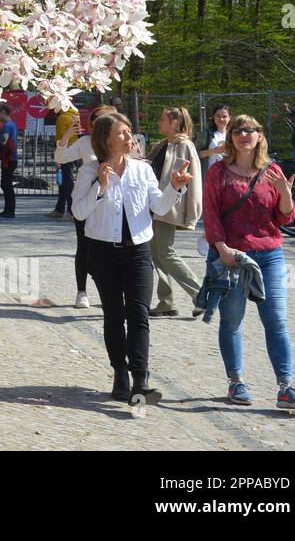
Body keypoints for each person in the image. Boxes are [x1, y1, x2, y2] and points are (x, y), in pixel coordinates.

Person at [72, 113, 193, 404]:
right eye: (123, 133)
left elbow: (159, 206)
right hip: (103, 252)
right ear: (106, 139)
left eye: (130, 132)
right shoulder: (89, 172)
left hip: (138, 251)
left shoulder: (143, 170)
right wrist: (100, 186)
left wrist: (174, 188)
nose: (130, 138)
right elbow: (79, 212)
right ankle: (120, 374)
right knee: (114, 315)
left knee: (138, 314)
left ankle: (141, 378)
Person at [202, 115, 295, 410]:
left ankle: (286, 387)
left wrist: (286, 193)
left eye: (250, 130)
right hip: (233, 257)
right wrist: (222, 249)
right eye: (238, 130)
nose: (244, 134)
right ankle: (236, 381)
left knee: (276, 320)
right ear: (231, 137)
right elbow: (210, 215)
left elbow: (285, 217)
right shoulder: (219, 173)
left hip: (270, 254)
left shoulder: (272, 170)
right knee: (233, 320)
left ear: (260, 136)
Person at [146, 108, 204, 318]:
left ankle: (200, 295)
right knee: (157, 253)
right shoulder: (163, 144)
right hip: (155, 206)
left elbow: (193, 181)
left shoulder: (184, 145)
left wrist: (191, 209)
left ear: (175, 122)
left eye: (163, 119)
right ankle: (166, 302)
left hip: (169, 206)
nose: (159, 122)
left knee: (166, 252)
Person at [58, 106, 116, 308]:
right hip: (87, 199)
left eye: (104, 119)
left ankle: (111, 290)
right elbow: (60, 157)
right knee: (84, 246)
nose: (98, 123)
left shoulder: (119, 142)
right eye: (95, 120)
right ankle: (81, 291)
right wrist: (65, 137)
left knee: (109, 247)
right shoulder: (85, 142)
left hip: (112, 201)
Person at [47, 105, 80, 221]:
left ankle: (71, 211)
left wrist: (57, 155)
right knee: (66, 181)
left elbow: (60, 138)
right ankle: (60, 209)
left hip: (65, 152)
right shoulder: (75, 116)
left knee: (67, 181)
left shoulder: (62, 118)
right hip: (74, 151)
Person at [0, 101, 19, 219]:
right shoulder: (13, 125)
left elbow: (4, 141)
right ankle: (9, 209)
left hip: (8, 158)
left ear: (4, 112)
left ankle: (9, 210)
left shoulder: (6, 126)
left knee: (6, 185)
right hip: (12, 158)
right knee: (6, 184)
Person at [199, 104, 230, 172]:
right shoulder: (206, 134)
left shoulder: (234, 134)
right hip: (211, 175)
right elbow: (195, 154)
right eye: (218, 116)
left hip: (230, 174)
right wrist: (214, 150)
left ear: (229, 118)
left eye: (224, 116)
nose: (221, 119)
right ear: (213, 117)